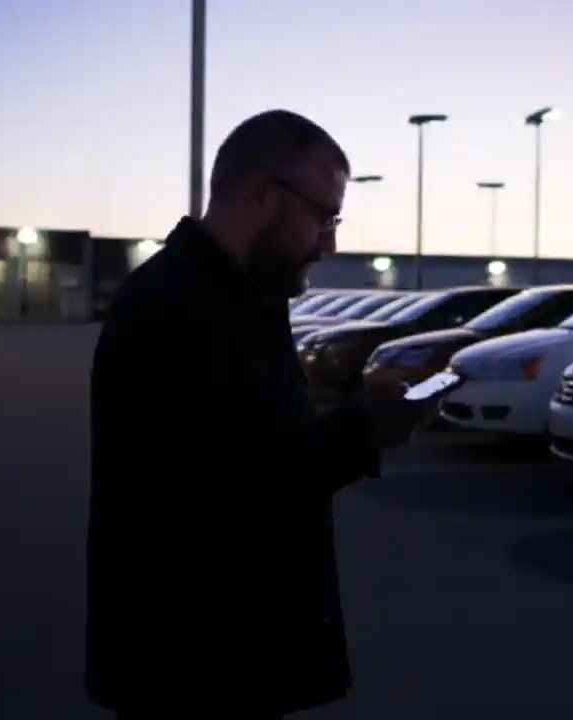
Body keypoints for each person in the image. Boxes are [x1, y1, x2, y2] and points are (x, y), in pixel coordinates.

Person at [86, 109, 438, 718]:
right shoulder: (174, 307)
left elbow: (258, 442)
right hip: (189, 670)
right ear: (261, 193)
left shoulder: (243, 296)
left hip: (232, 659)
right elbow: (222, 487)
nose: (330, 242)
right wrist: (364, 428)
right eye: (324, 216)